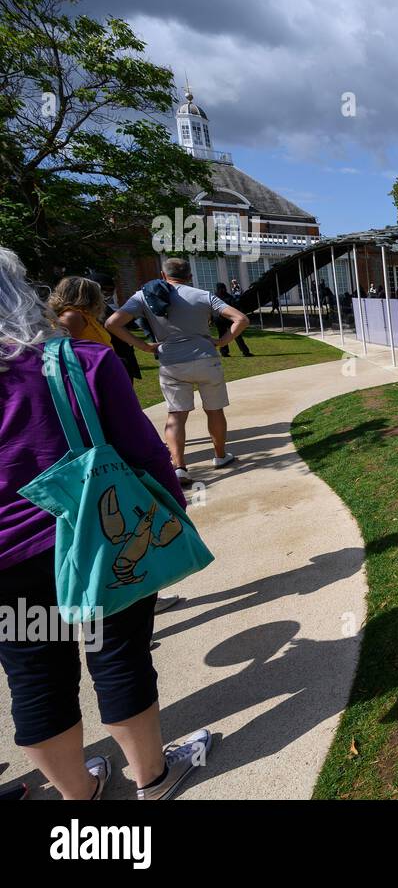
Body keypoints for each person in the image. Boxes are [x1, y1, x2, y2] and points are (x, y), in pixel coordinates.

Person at [0, 247, 212, 799]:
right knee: (118, 653)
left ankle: (78, 795)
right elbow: (146, 454)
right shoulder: (80, 362)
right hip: (99, 536)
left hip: (5, 562)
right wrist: (172, 515)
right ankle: (152, 778)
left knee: (35, 677)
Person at [106, 257, 249, 486]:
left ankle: (180, 466)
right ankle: (220, 455)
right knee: (214, 410)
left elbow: (112, 323)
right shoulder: (203, 295)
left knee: (176, 415)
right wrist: (222, 341)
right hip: (206, 359)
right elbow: (241, 319)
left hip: (171, 361)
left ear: (163, 275)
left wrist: (143, 346)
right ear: (189, 276)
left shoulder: (143, 296)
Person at [213, 283, 253, 358]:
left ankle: (225, 352)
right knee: (235, 335)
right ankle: (244, 351)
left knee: (224, 335)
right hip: (226, 318)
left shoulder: (215, 297)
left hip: (221, 319)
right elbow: (236, 307)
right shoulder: (228, 297)